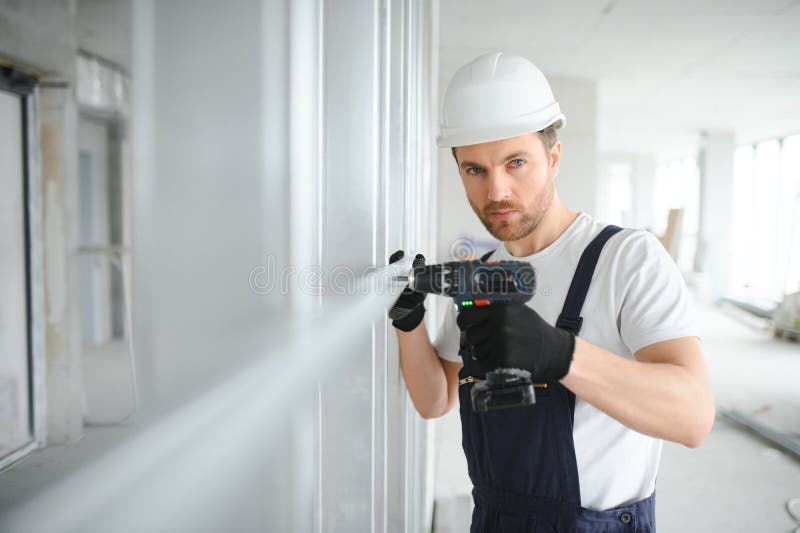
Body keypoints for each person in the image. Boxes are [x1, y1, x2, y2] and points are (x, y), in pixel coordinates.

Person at [389, 52, 714, 532]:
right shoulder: (481, 278)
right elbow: (435, 400)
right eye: (474, 169)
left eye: (515, 162)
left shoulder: (626, 258)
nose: (496, 190)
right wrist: (409, 325)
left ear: (554, 157)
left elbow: (693, 417)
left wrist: (560, 354)